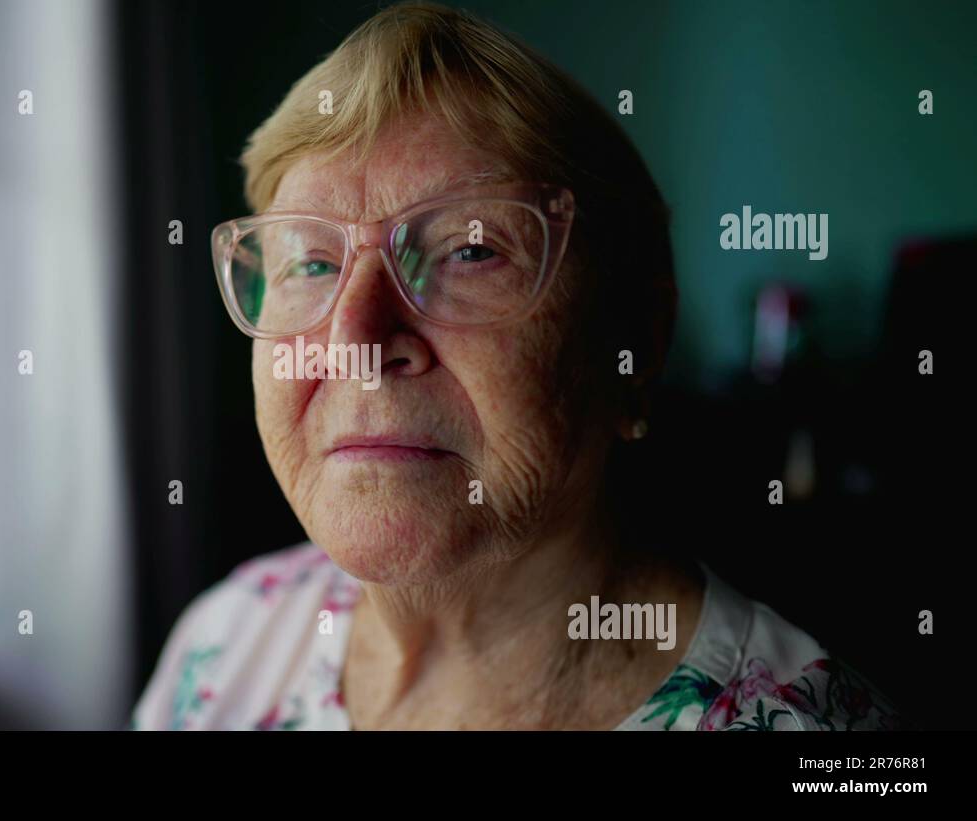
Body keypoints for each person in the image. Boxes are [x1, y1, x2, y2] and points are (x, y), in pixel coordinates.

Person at [132, 2, 900, 731]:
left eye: (471, 251)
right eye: (311, 262)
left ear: (633, 342)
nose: (355, 341)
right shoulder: (225, 643)